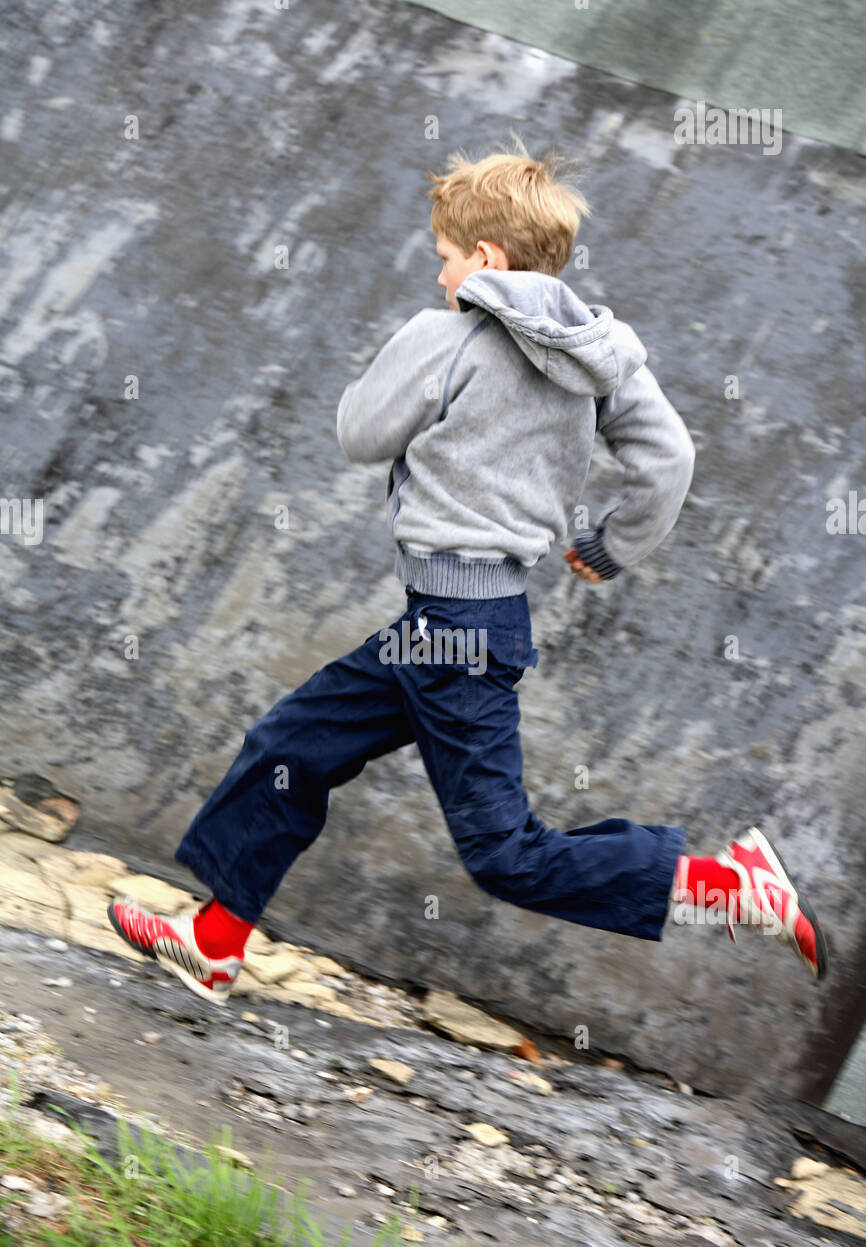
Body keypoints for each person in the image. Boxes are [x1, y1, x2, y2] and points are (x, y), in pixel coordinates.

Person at [109, 135, 827, 1003]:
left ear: (486, 259)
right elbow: (669, 457)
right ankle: (215, 943)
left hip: (456, 631)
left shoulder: (445, 335)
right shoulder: (600, 355)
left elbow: (357, 433)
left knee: (505, 854)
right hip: (458, 624)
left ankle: (730, 886)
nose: (440, 278)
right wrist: (609, 544)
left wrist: (410, 363)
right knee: (293, 745)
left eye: (445, 260)